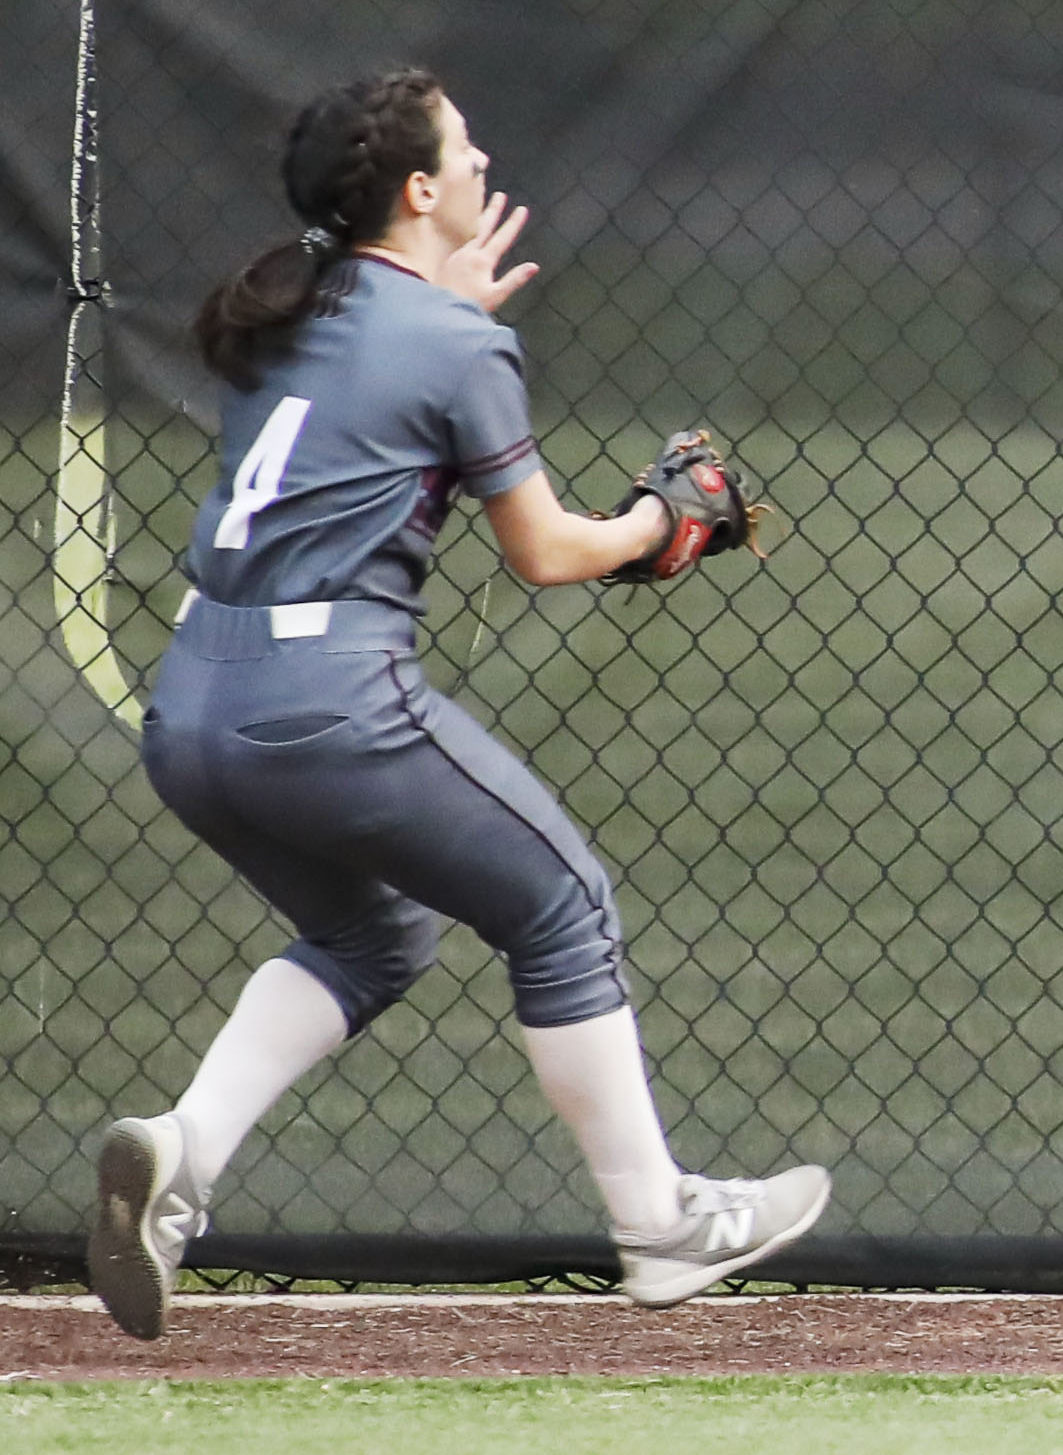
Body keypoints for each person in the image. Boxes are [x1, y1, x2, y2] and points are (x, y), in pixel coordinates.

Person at [83, 71, 830, 1340]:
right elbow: (544, 553)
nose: (484, 159)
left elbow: (376, 386)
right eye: (464, 147)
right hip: (326, 708)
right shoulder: (451, 341)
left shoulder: (294, 314)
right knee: (562, 903)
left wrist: (441, 317)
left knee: (377, 940)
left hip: (192, 710)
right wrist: (664, 523)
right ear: (421, 190)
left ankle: (181, 1158)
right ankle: (661, 1229)